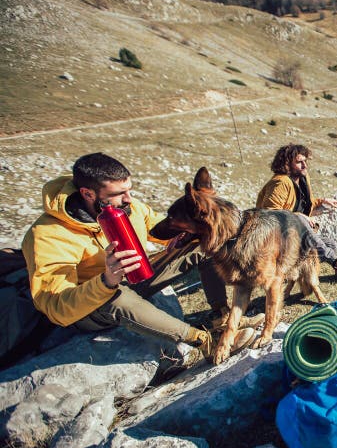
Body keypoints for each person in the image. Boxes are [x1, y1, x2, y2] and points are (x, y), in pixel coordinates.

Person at [21, 153, 256, 368]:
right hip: (94, 303)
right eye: (118, 194)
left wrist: (200, 227)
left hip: (135, 276)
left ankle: (222, 317)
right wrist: (105, 281)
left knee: (202, 247)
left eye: (129, 190)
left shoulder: (129, 207)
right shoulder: (47, 234)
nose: (129, 199)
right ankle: (204, 341)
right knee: (117, 298)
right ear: (88, 194)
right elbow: (54, 306)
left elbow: (159, 229)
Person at [256, 144, 337, 284]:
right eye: (299, 162)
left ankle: (297, 270)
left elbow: (302, 203)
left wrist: (322, 201)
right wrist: (298, 216)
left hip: (293, 236)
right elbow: (269, 214)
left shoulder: (302, 178)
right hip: (277, 240)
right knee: (301, 222)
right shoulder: (280, 182)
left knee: (330, 244)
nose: (305, 165)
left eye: (305, 161)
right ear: (286, 164)